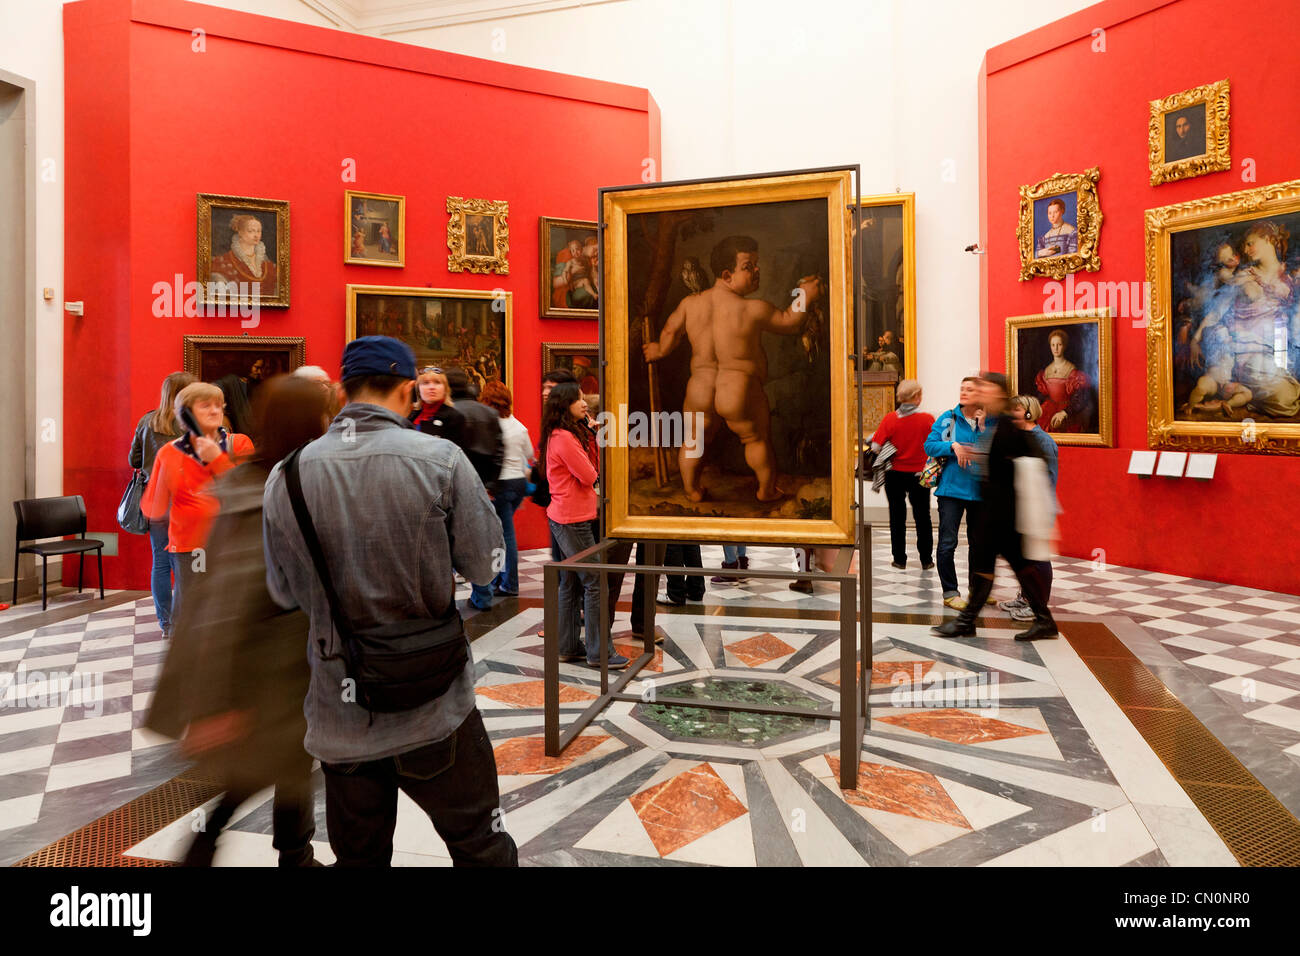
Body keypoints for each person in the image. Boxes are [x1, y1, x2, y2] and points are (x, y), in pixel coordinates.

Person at [262, 336, 516, 867]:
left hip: (342, 708)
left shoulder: (285, 475)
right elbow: (485, 565)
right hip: (435, 702)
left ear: (340, 392)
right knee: (480, 846)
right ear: (407, 390)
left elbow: (283, 592)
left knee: (360, 860)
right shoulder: (441, 460)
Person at [149, 375, 329, 867]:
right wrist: (217, 703)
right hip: (268, 673)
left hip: (293, 667)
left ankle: (294, 854)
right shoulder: (266, 494)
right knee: (253, 777)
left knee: (291, 766)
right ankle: (211, 853)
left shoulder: (264, 478)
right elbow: (228, 607)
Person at [643, 234, 823, 502]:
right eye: (749, 266)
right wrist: (805, 295)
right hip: (738, 387)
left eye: (756, 264)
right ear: (727, 274)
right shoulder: (752, 309)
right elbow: (789, 321)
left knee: (694, 440)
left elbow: (670, 332)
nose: (757, 271)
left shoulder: (690, 304)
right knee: (755, 439)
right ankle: (766, 490)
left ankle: (691, 490)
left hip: (700, 387)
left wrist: (658, 350)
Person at [932, 373, 1058, 643]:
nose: (979, 391)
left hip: (1006, 514)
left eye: (984, 387)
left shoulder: (1008, 425)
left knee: (1014, 567)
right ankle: (970, 621)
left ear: (998, 393)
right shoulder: (993, 424)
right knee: (988, 566)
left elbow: (1033, 461)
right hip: (995, 512)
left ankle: (1041, 621)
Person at [141, 382, 254, 618]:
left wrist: (216, 460)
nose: (215, 411)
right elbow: (154, 505)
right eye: (205, 406)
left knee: (230, 608)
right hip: (190, 544)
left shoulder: (240, 443)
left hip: (231, 541)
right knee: (193, 606)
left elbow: (247, 491)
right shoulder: (169, 452)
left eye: (218, 405)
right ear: (187, 415)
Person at [542, 382, 628, 670]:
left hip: (565, 516)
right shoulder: (565, 437)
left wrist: (590, 433)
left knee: (570, 583)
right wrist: (593, 437)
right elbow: (591, 474)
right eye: (578, 399)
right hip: (573, 519)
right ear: (565, 404)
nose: (584, 403)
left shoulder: (562, 434)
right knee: (595, 583)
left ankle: (567, 646)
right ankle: (599, 652)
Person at [129, 371, 196, 638]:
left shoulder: (147, 421)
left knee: (160, 561)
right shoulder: (191, 423)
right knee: (184, 563)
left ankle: (166, 624)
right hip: (187, 502)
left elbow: (134, 459)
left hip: (156, 501)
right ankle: (184, 622)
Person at [924, 377, 986, 610]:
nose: (964, 392)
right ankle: (950, 592)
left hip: (979, 491)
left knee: (978, 544)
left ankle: (977, 588)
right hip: (951, 490)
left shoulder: (987, 422)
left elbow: (992, 449)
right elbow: (930, 445)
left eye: (970, 389)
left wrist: (981, 429)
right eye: (962, 388)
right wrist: (952, 446)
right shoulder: (950, 419)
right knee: (948, 542)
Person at [446, 367, 504, 611]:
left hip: (450, 488)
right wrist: (491, 484)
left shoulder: (447, 414)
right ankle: (484, 595)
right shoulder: (488, 412)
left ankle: (446, 596)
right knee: (480, 543)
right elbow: (500, 451)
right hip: (481, 487)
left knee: (446, 543)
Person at [999, 396, 1058, 623]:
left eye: (1016, 409)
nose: (1011, 413)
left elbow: (1048, 479)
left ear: (1029, 412)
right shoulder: (1019, 438)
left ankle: (1038, 604)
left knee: (1038, 557)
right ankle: (1026, 598)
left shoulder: (1043, 441)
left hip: (1038, 504)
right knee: (1024, 557)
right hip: (1021, 505)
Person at [870, 379, 935, 570]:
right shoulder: (927, 419)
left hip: (895, 474)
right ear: (916, 397)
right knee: (923, 517)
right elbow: (933, 445)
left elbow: (875, 447)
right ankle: (926, 559)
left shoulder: (890, 419)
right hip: (919, 475)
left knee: (896, 516)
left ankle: (899, 559)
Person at [479, 381, 532, 597]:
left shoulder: (489, 426)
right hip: (517, 483)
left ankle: (509, 583)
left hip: (498, 484)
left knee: (502, 535)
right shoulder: (519, 426)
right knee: (504, 533)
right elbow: (528, 454)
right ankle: (504, 579)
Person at [1034, 328, 1095, 433]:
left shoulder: (1071, 370)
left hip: (1067, 409)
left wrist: (1064, 412)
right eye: (1053, 345)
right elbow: (1042, 395)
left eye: (1059, 344)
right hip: (1048, 409)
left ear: (1064, 346)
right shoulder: (1046, 371)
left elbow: (1080, 399)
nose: (1056, 348)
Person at [210, 214, 278, 295]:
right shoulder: (223, 263)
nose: (256, 235)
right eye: (250, 231)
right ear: (240, 232)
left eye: (258, 231)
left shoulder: (269, 266)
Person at [411, 366, 466, 449]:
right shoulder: (411, 416)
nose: (431, 387)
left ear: (445, 389)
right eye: (425, 383)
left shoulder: (455, 418)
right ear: (418, 390)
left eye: (437, 382)